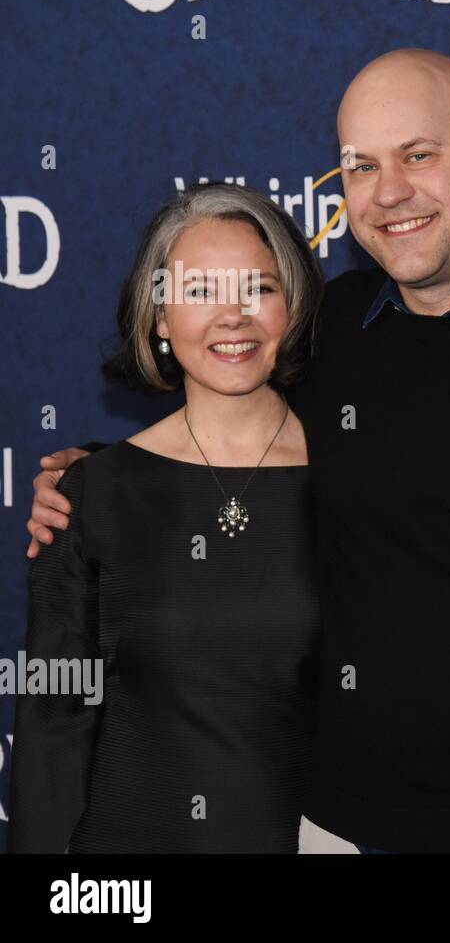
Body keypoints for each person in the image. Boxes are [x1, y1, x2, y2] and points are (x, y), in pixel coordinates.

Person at [27, 49, 450, 854]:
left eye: (419, 155)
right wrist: (95, 481)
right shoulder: (328, 333)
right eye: (360, 166)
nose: (389, 191)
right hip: (337, 830)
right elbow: (230, 423)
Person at [11, 183, 321, 852]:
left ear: (292, 306)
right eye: (200, 290)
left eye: (258, 288)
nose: (231, 316)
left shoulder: (357, 484)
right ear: (159, 317)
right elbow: (51, 731)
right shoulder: (89, 494)